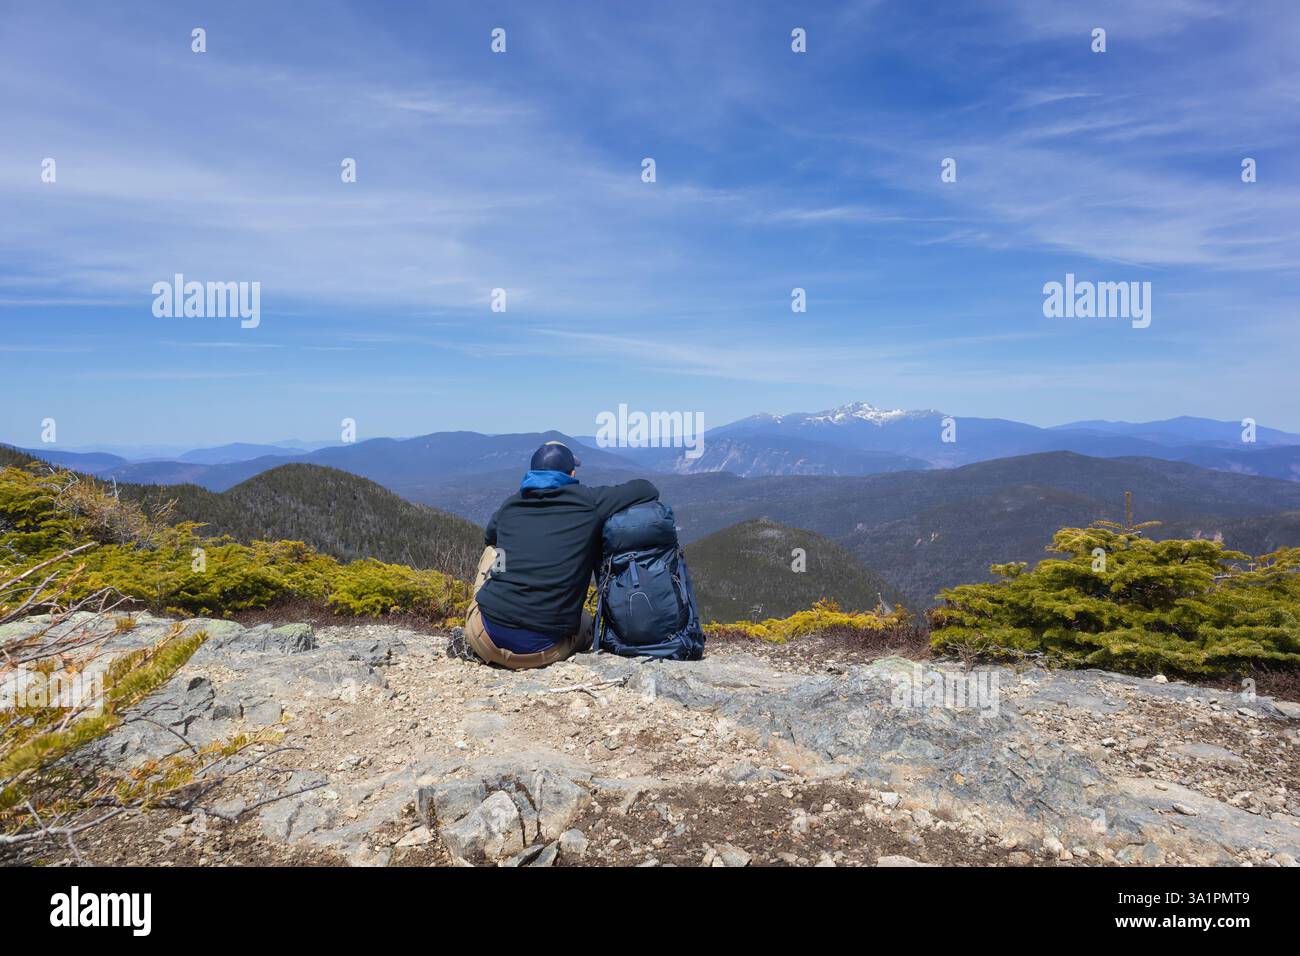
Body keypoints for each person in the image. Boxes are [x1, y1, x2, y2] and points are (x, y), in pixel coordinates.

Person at [452, 440, 659, 669]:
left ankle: (485, 615)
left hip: (484, 638)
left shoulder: (510, 506)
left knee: (493, 550)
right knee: (586, 623)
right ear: (571, 473)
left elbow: (491, 537)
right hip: (544, 650)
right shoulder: (589, 501)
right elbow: (647, 489)